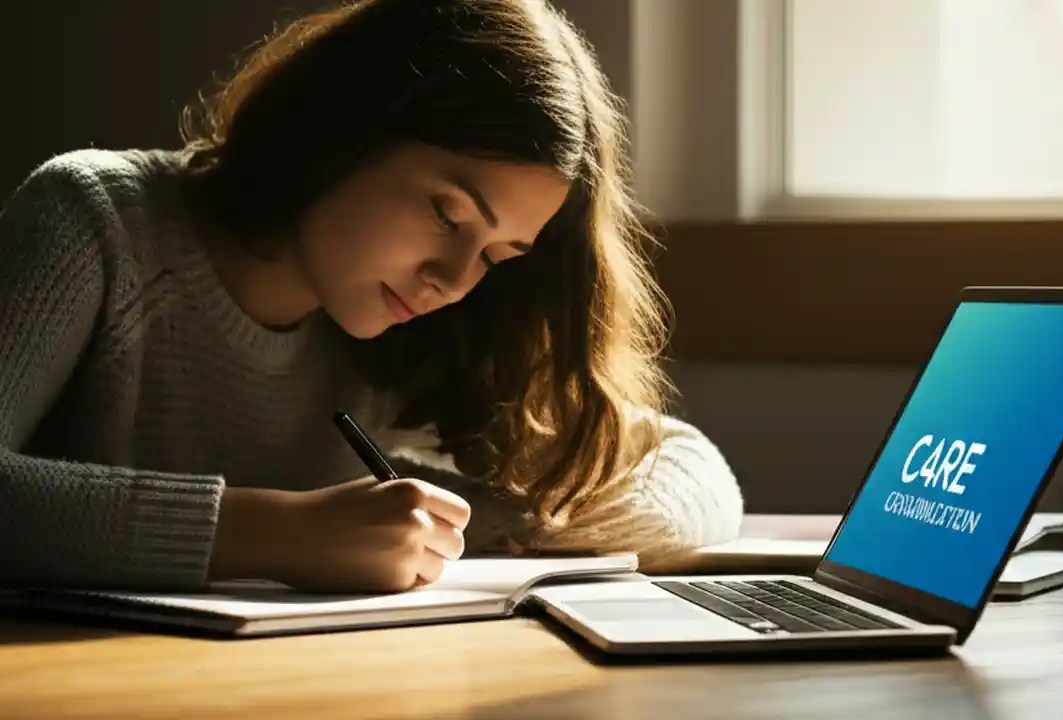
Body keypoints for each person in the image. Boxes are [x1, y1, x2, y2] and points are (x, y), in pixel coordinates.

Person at [0, 0, 741, 593]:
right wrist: (275, 533)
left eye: (496, 255)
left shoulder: (415, 333)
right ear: (346, 127)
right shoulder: (95, 221)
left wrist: (513, 521)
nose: (453, 281)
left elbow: (689, 467)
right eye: (447, 214)